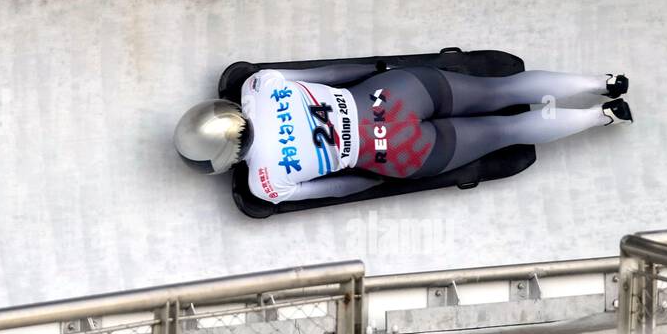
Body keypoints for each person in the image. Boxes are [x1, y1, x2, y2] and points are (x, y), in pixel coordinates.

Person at [174, 61, 632, 203]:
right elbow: (331, 72)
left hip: (396, 152)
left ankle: (601, 118)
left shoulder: (265, 182)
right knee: (501, 90)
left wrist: (378, 174)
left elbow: (340, 188)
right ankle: (600, 84)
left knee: (504, 130)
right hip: (390, 96)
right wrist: (379, 71)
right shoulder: (259, 86)